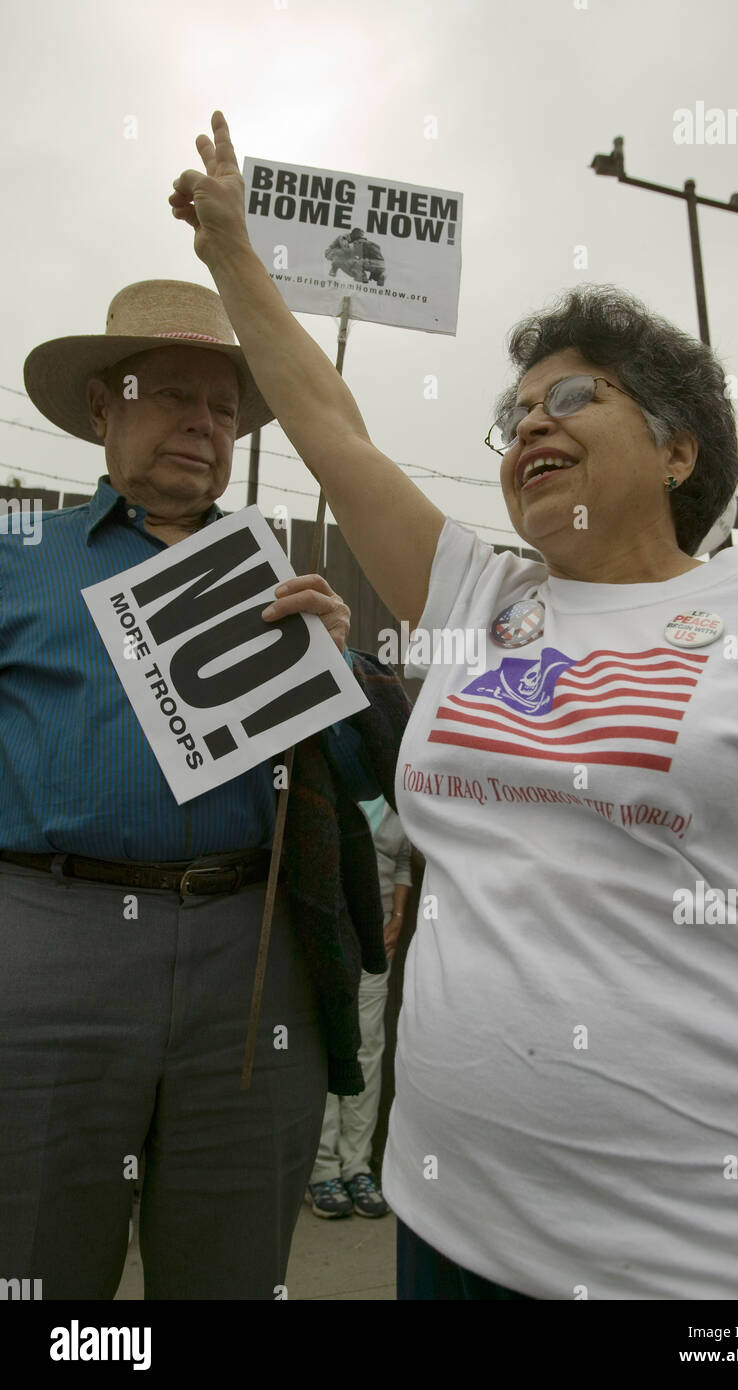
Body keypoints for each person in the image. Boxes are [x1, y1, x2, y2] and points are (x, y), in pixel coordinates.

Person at [170, 112, 738, 1300]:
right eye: (515, 413)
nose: (530, 422)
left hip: (719, 1262)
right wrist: (234, 252)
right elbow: (330, 429)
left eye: (574, 396)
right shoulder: (481, 601)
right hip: (451, 1224)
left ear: (680, 449)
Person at [0, 277, 411, 1300]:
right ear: (102, 407)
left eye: (223, 408)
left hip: (255, 956)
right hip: (48, 944)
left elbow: (369, 778)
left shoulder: (281, 578)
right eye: (170, 393)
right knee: (37, 1265)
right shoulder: (19, 562)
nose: (202, 423)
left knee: (230, 1268)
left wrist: (339, 669)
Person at [307, 795, 412, 1218]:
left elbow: (403, 860)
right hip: (329, 932)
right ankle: (322, 1170)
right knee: (329, 1043)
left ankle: (357, 1164)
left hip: (378, 937)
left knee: (368, 1048)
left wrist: (398, 918)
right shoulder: (328, 784)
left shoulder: (394, 790)